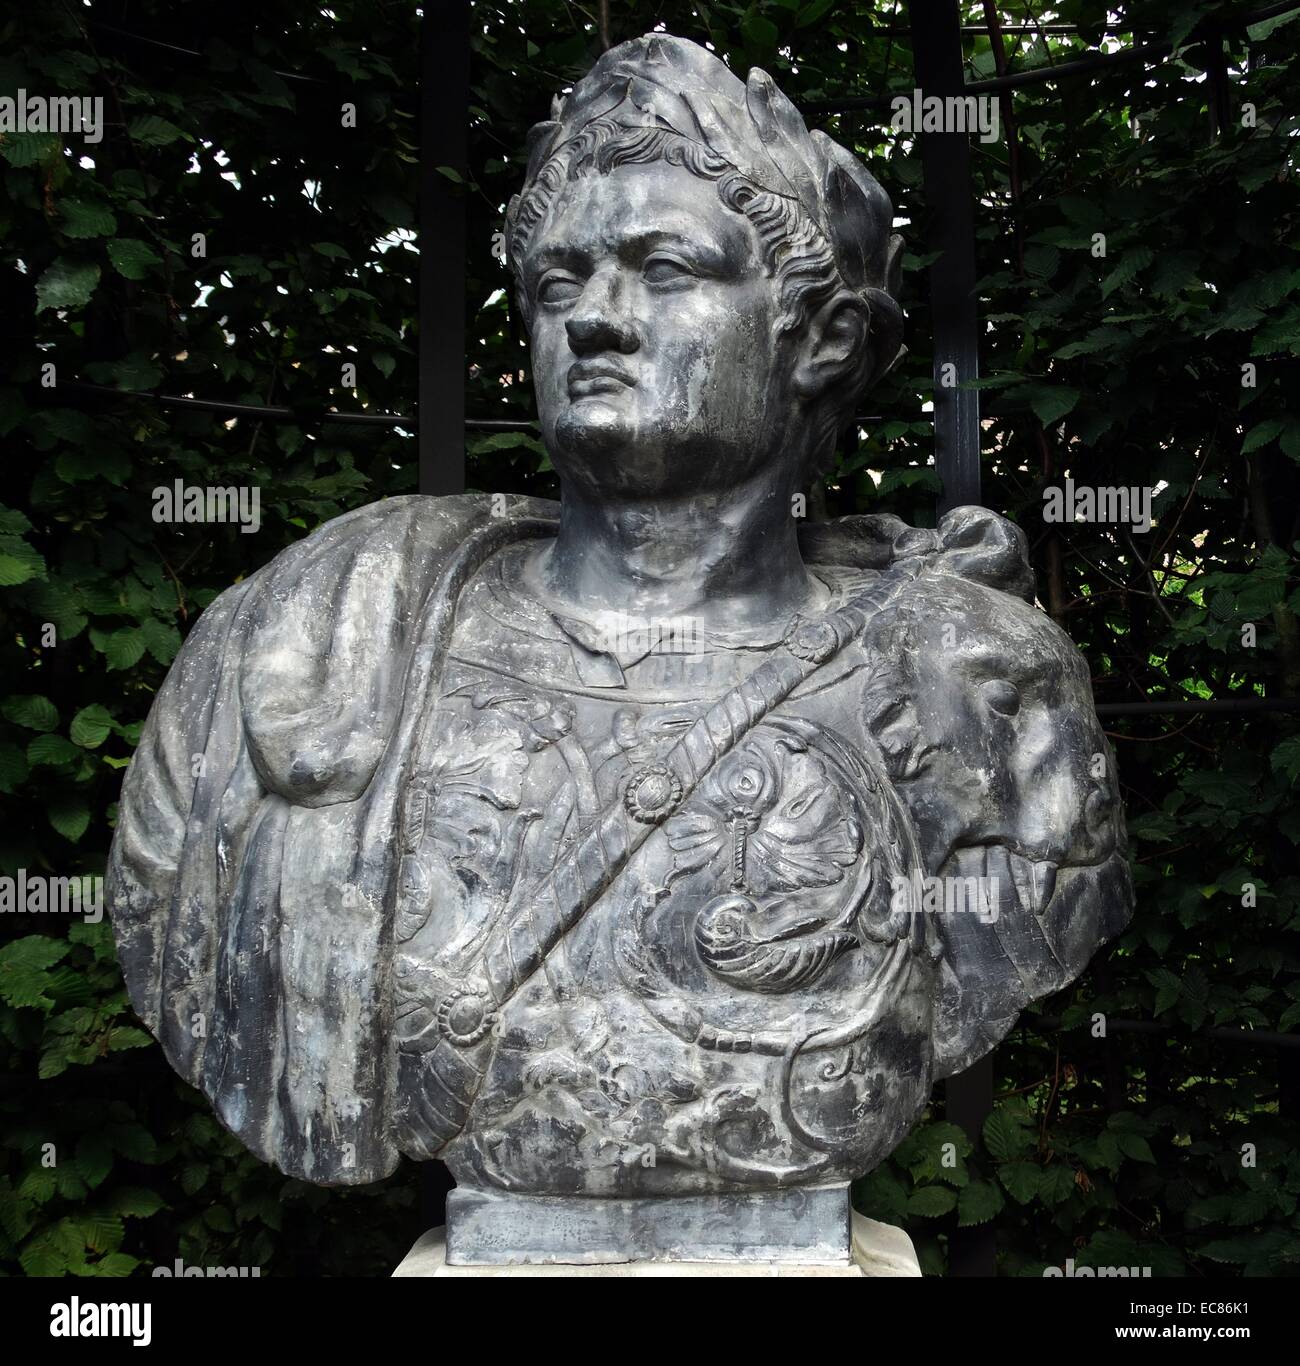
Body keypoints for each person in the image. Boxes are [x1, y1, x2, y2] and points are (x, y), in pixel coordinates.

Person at [108, 35, 1130, 1204]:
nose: (594, 317)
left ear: (822, 339)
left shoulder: (980, 687)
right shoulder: (308, 651)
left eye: (664, 269)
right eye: (558, 281)